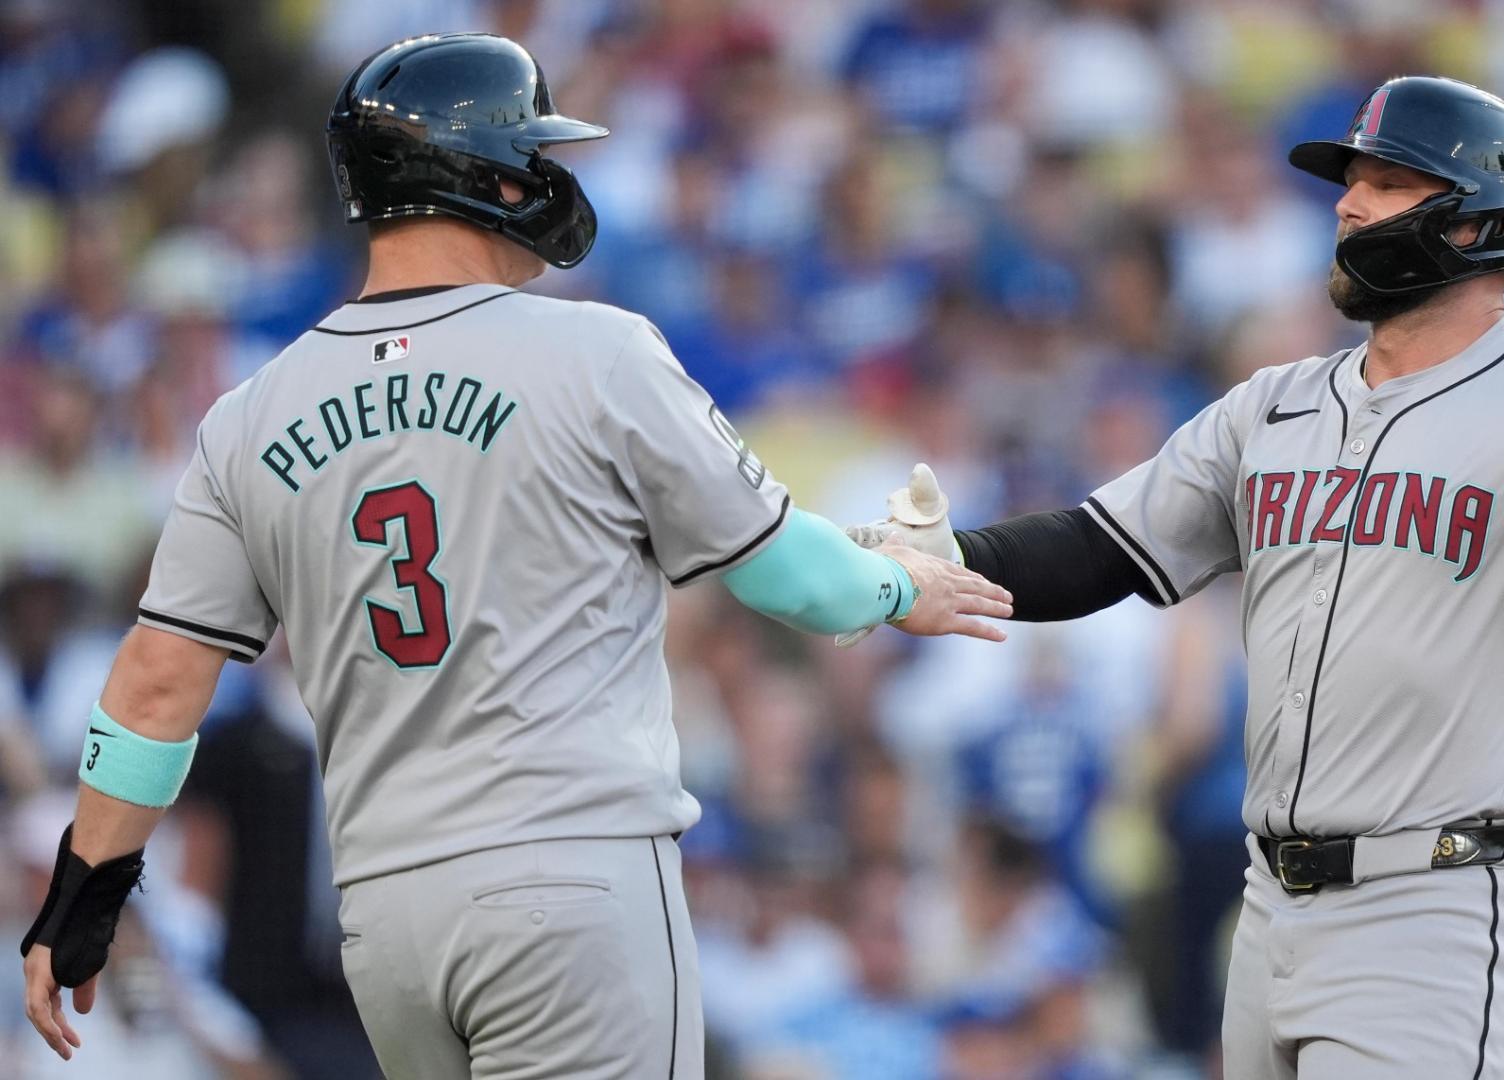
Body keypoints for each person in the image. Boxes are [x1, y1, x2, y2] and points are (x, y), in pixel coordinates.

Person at [19, 33, 1011, 1078]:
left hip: (392, 924)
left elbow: (157, 682)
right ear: (476, 175)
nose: (546, 175)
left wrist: (84, 892)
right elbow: (790, 578)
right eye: (526, 154)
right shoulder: (598, 352)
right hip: (572, 885)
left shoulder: (247, 415)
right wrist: (904, 580)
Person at [852, 75, 1504, 1077]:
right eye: (1351, 180)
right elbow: (1101, 547)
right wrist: (946, 561)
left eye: (1384, 182)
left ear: (1471, 224)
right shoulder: (1271, 406)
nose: (1347, 202)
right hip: (1272, 909)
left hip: (1440, 908)